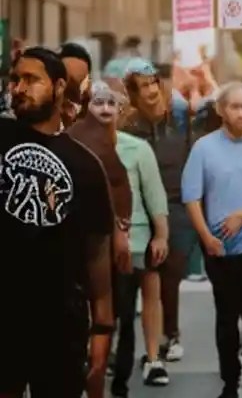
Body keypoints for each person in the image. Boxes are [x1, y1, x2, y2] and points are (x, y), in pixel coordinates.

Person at [0, 47, 115, 397]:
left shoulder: (84, 165)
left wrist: (103, 328)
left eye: (31, 80)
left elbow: (98, 252)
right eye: (15, 80)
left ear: (59, 85)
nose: (19, 88)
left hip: (60, 320)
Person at [181, 82, 242, 398]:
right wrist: (206, 237)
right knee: (227, 318)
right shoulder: (204, 148)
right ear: (221, 110)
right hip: (219, 247)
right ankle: (230, 384)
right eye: (235, 106)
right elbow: (191, 197)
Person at [81, 81, 171, 394]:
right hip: (91, 245)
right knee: (96, 314)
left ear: (121, 110)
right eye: (98, 103)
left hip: (132, 244)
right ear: (88, 109)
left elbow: (154, 195)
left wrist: (161, 236)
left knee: (124, 314)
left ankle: (121, 382)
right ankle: (94, 367)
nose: (104, 109)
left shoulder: (137, 149)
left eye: (111, 104)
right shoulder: (78, 145)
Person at [121, 60, 205, 362]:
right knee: (141, 277)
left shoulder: (182, 121)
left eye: (152, 82)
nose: (150, 91)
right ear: (134, 93)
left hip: (178, 206)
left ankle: (172, 335)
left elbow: (196, 161)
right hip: (141, 208)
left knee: (170, 272)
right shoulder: (127, 127)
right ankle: (136, 346)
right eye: (142, 86)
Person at [63, 43, 134, 274]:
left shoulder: (92, 124)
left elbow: (118, 181)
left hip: (91, 233)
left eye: (79, 80)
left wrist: (121, 230)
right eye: (66, 79)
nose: (71, 87)